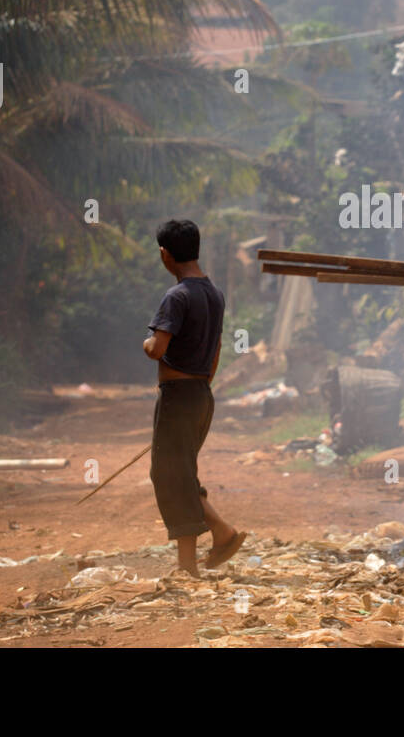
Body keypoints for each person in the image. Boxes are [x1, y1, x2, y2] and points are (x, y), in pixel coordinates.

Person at [142, 219, 244, 578]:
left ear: (164, 254)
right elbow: (215, 350)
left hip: (179, 396)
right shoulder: (214, 294)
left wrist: (146, 342)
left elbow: (157, 349)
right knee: (181, 474)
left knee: (168, 474)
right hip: (201, 393)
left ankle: (221, 535)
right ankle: (192, 560)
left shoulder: (177, 296)